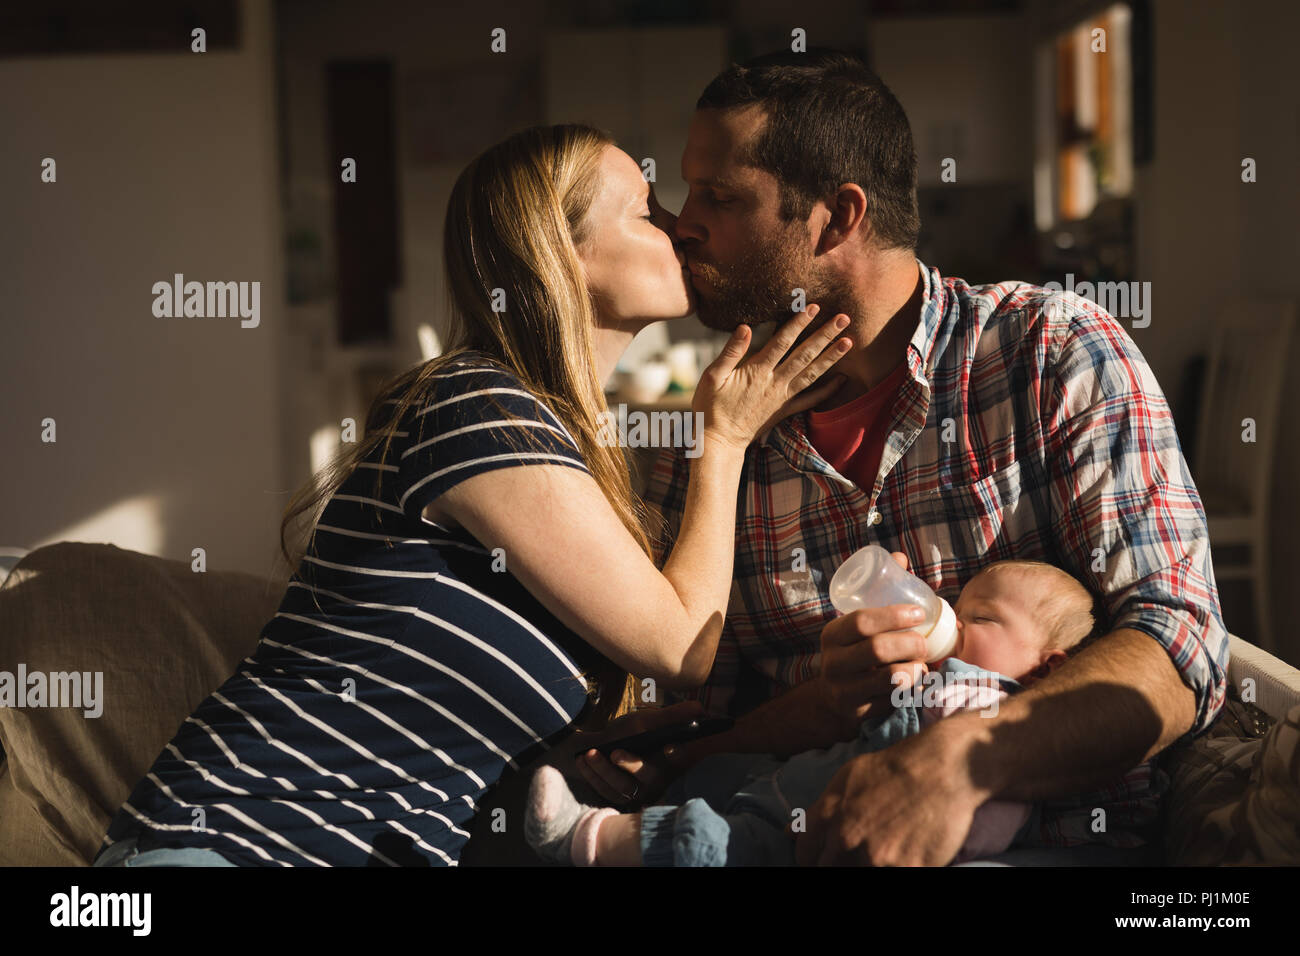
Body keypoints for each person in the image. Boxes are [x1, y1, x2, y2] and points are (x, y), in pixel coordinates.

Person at [91, 124, 852, 867]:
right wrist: (722, 439)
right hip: (235, 838)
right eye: (646, 211)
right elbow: (679, 647)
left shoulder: (556, 447)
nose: (680, 227)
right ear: (563, 252)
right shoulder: (476, 406)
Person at [571, 48, 1230, 867]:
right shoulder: (711, 446)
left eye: (720, 195)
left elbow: (1181, 645)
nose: (682, 223)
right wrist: (675, 749)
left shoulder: (1048, 353)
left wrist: (965, 761)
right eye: (686, 191)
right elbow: (710, 724)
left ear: (838, 219)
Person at [526, 558, 1102, 866]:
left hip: (810, 833)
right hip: (790, 779)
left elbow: (973, 827)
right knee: (713, 776)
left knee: (711, 842)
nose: (951, 616)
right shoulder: (944, 680)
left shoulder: (1009, 716)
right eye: (958, 603)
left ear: (1046, 668)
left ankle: (584, 840)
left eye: (982, 619)